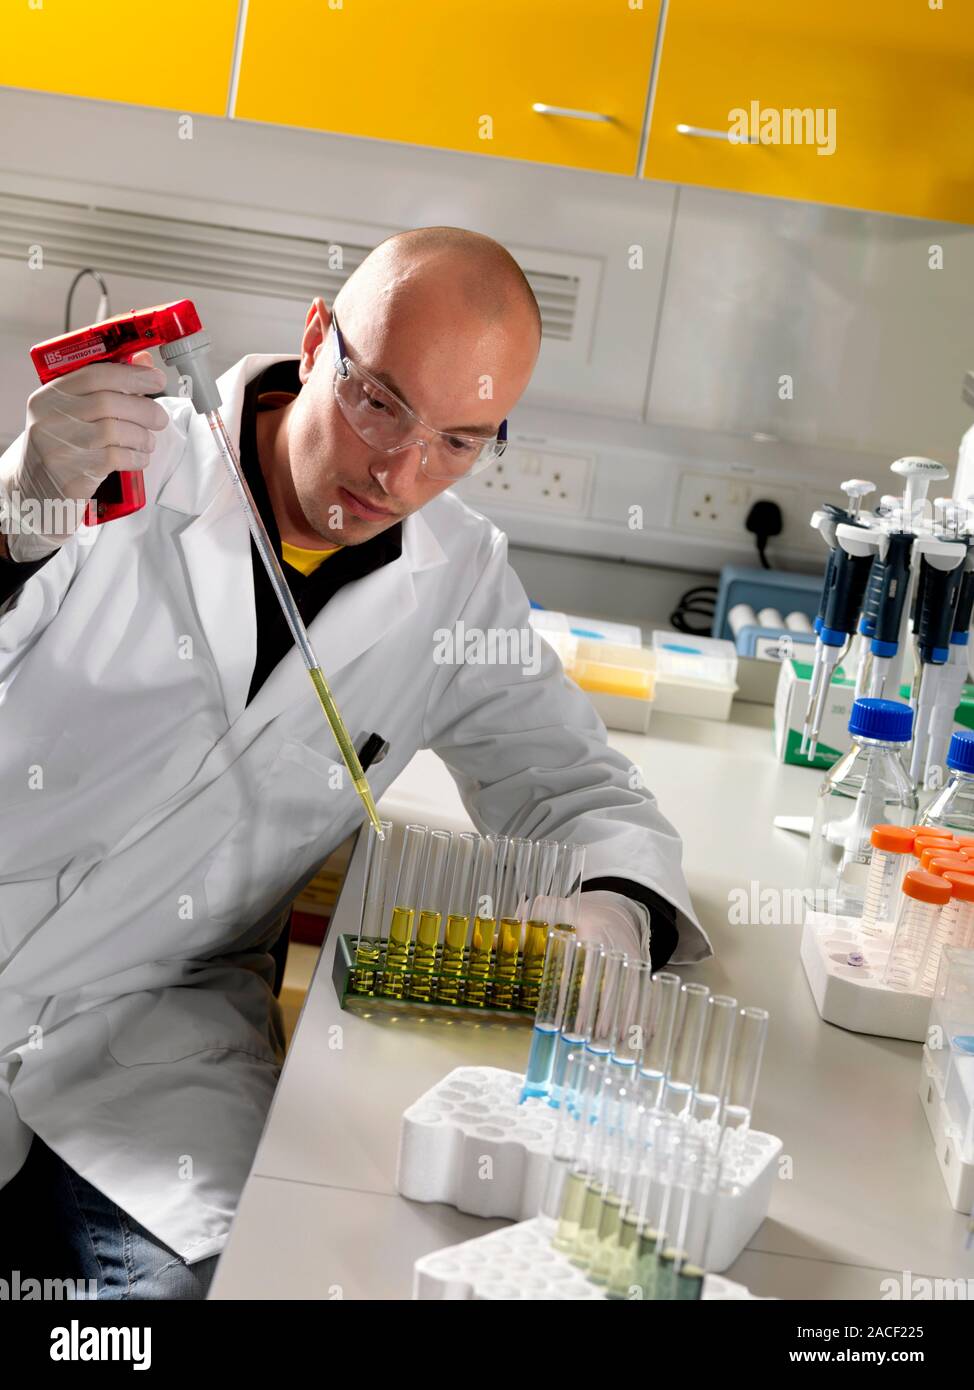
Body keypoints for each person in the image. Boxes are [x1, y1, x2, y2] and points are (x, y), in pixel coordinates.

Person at [0, 226, 710, 1299]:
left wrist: (615, 909)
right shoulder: (108, 467)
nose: (399, 468)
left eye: (460, 441)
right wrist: (11, 523)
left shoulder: (456, 583)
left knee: (218, 1291)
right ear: (315, 336)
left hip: (146, 1047)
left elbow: (574, 788)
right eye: (378, 402)